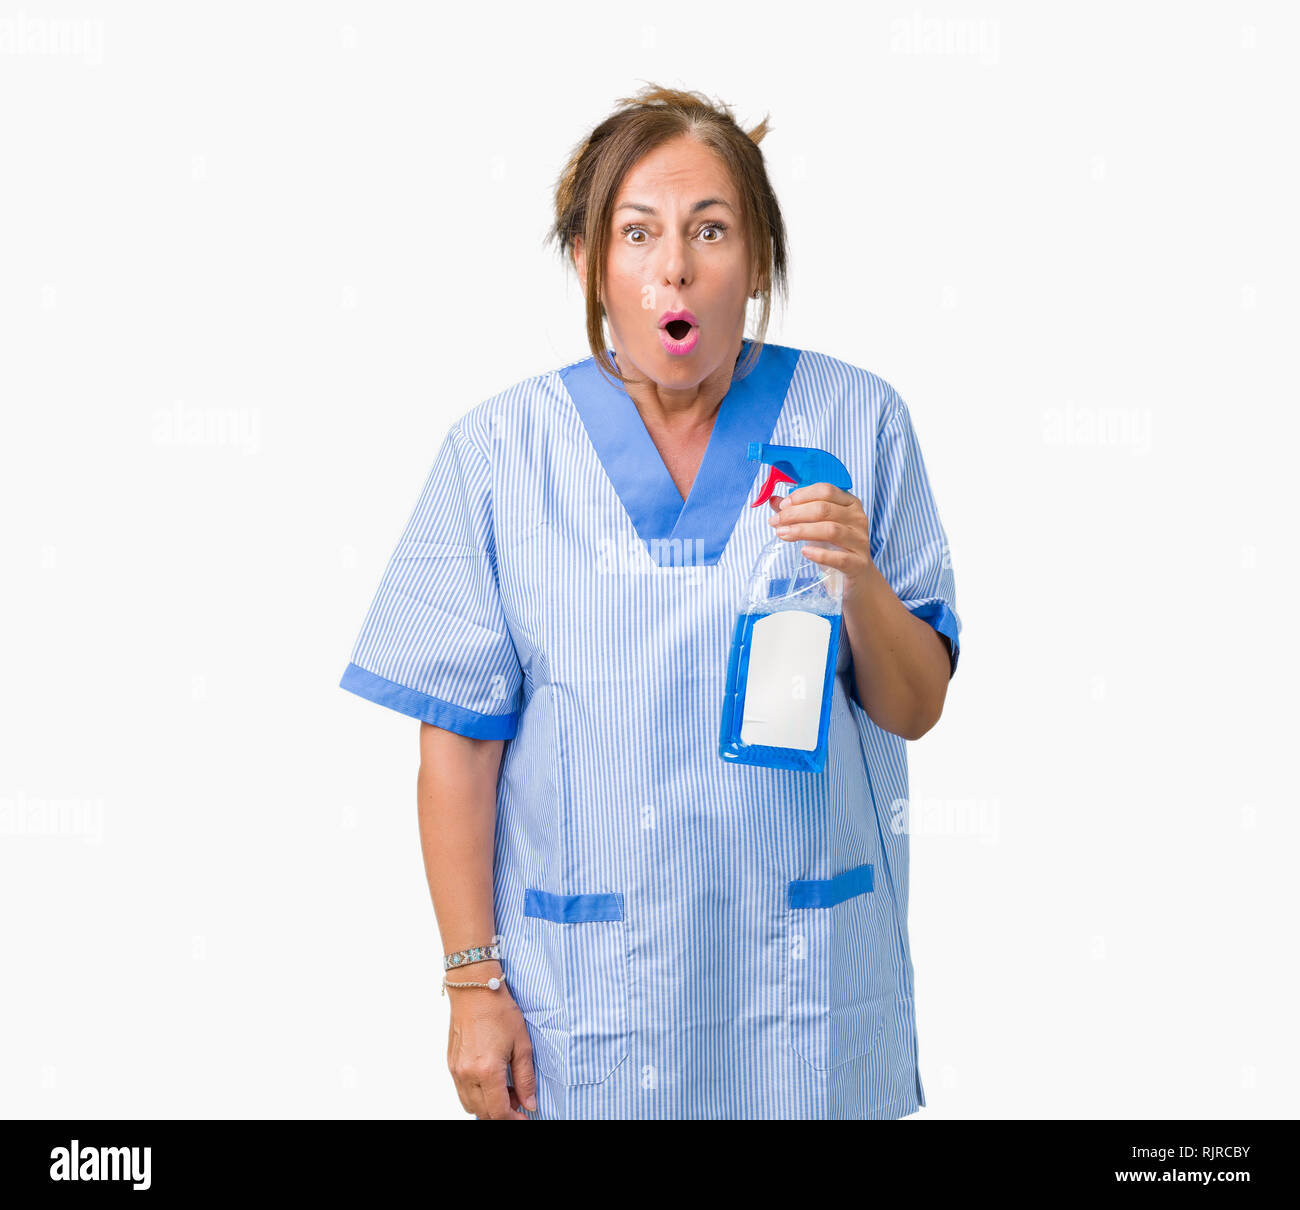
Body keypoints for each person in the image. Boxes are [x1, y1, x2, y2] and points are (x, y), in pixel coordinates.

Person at [339, 84, 961, 1120]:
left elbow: (915, 706)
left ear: (755, 261)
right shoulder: (500, 454)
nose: (673, 265)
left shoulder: (861, 419)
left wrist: (859, 582)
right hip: (586, 999)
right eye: (637, 234)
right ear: (589, 264)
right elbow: (457, 743)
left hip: (798, 991)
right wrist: (468, 982)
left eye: (710, 230)